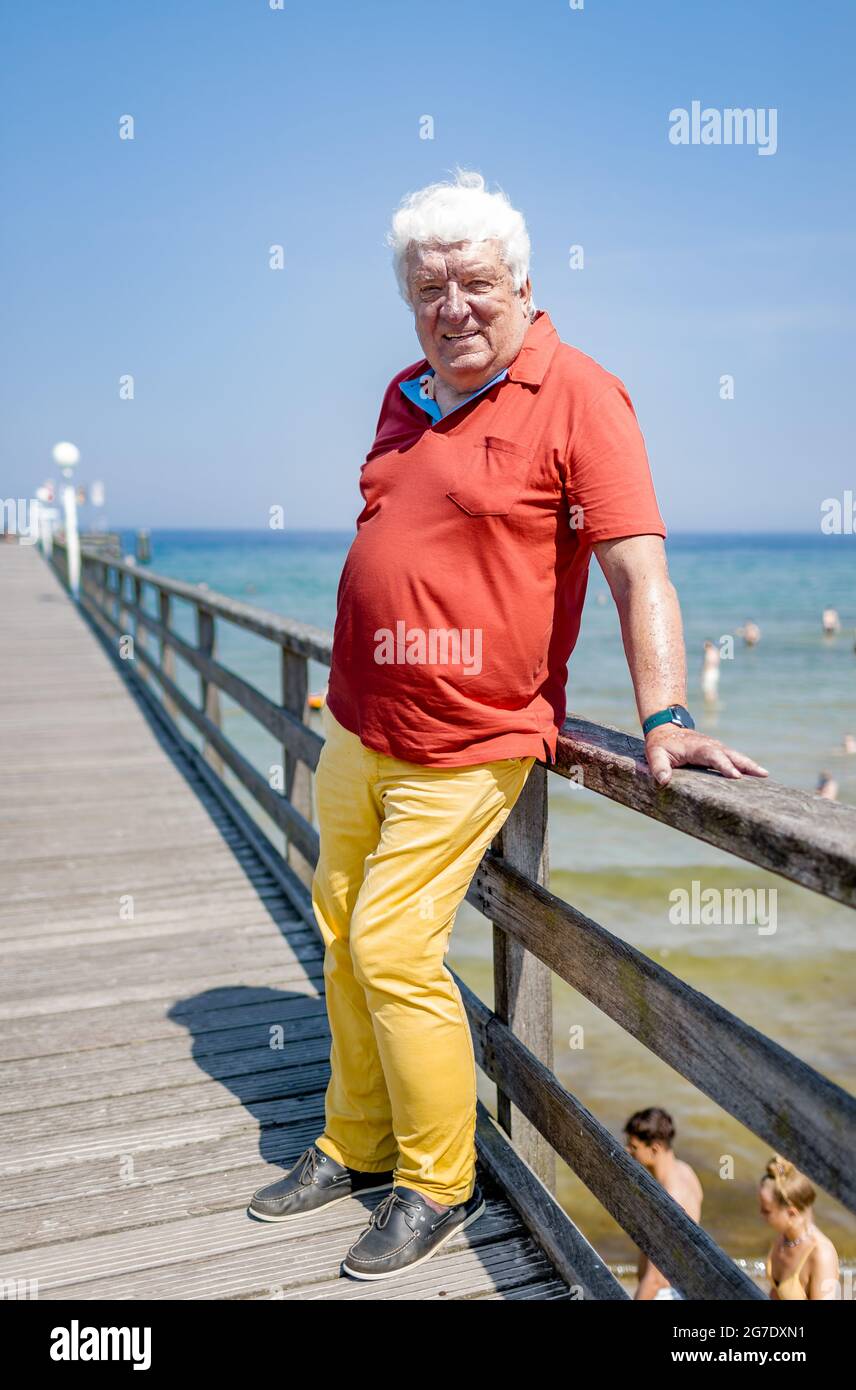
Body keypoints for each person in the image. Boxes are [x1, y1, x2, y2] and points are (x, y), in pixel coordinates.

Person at [247, 169, 767, 1282]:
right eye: (429, 290)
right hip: (357, 724)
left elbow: (635, 567)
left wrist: (664, 713)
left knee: (390, 944)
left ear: (522, 283)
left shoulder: (581, 392)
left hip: (470, 740)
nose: (453, 307)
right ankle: (357, 1137)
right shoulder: (406, 392)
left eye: (474, 283)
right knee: (341, 930)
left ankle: (435, 1181)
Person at [624, 1107, 703, 1300]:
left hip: (665, 1294)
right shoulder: (687, 1172)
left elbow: (655, 1279)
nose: (627, 1152)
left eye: (634, 1147)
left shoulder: (669, 1198)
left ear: (654, 1149)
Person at [759, 1155, 839, 1299]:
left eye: (766, 1211)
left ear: (791, 1213)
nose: (760, 1214)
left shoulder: (821, 1255)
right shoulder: (784, 1237)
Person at [701, 639, 721, 703]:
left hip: (709, 672)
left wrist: (702, 675)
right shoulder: (715, 651)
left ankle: (709, 703)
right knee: (713, 689)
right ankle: (714, 703)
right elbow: (717, 662)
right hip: (715, 671)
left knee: (708, 689)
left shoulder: (709, 652)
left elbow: (707, 664)